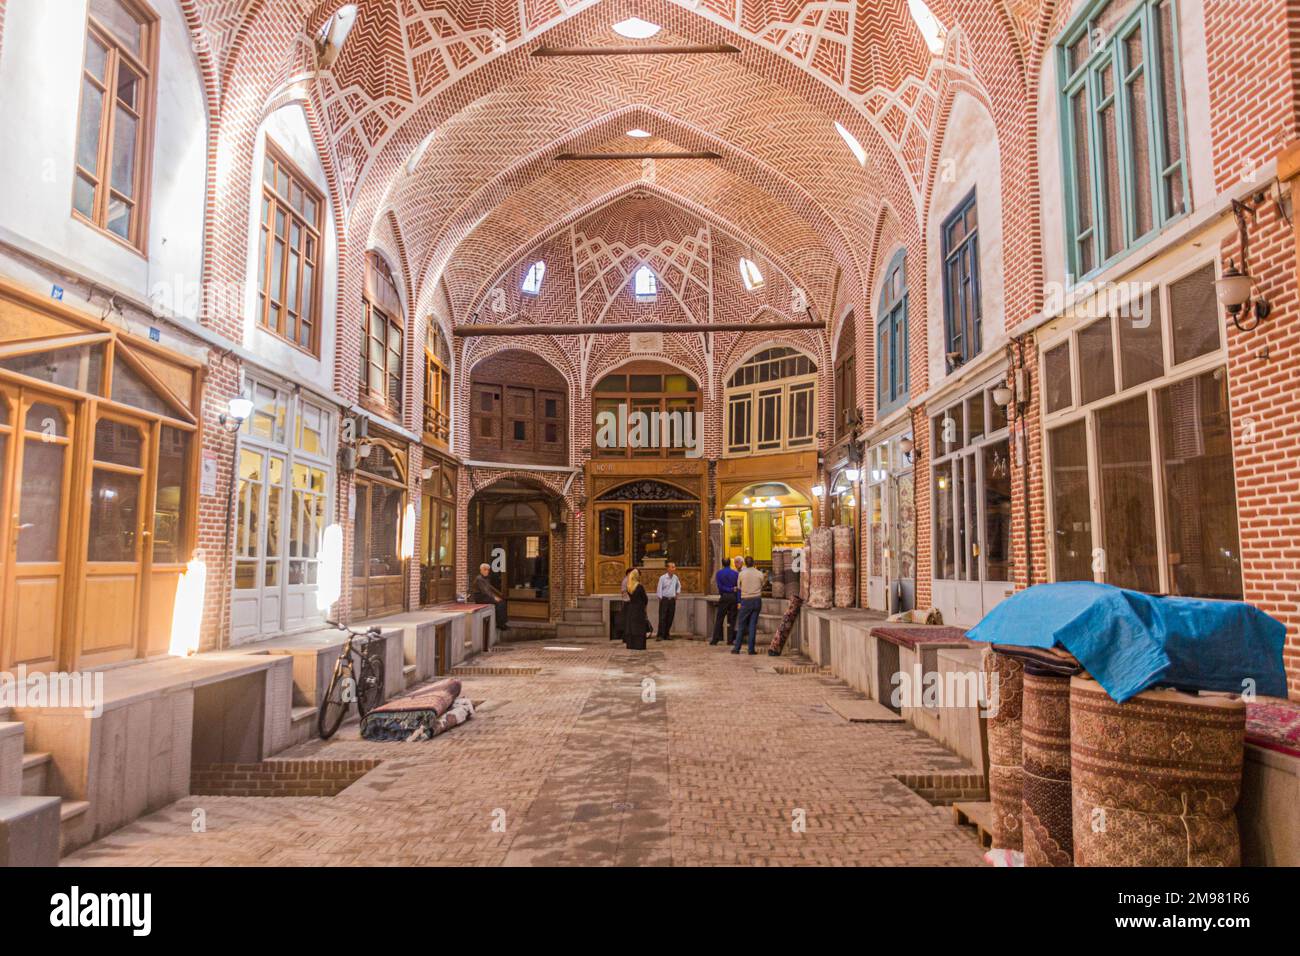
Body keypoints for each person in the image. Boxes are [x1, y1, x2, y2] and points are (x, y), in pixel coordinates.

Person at [732, 555, 765, 655]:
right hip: (756, 600)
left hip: (746, 600)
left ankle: (737, 648)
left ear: (745, 563)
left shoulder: (741, 574)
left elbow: (739, 587)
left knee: (741, 624)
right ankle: (751, 649)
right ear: (754, 563)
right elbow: (762, 584)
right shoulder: (759, 573)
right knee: (752, 625)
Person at [711, 555, 739, 646]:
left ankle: (715, 639)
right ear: (730, 563)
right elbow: (737, 588)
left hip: (724, 597)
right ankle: (730, 640)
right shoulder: (735, 573)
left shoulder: (719, 573)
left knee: (719, 619)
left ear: (722, 564)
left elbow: (720, 587)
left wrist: (728, 589)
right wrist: (738, 599)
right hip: (733, 597)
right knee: (732, 620)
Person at [472, 562, 508, 634]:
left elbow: (491, 589)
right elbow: (485, 591)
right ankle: (500, 624)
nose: (487, 571)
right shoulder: (479, 579)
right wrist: (494, 598)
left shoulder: (485, 579)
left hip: (485, 596)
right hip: (481, 598)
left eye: (488, 570)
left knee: (502, 602)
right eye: (485, 570)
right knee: (500, 603)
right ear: (481, 570)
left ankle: (502, 622)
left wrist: (498, 595)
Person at [622, 569, 652, 650]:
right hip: (639, 609)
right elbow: (645, 598)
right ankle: (639, 645)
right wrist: (644, 605)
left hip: (631, 607)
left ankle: (631, 645)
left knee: (632, 626)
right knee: (639, 627)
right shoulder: (639, 586)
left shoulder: (629, 586)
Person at [655, 562, 681, 641]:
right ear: (668, 568)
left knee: (670, 617)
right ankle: (660, 635)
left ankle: (667, 634)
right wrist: (660, 598)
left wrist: (677, 593)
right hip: (664, 599)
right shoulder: (662, 578)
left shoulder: (675, 577)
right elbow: (659, 588)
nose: (674, 569)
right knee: (662, 617)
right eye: (672, 567)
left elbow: (679, 585)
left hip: (672, 600)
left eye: (674, 567)